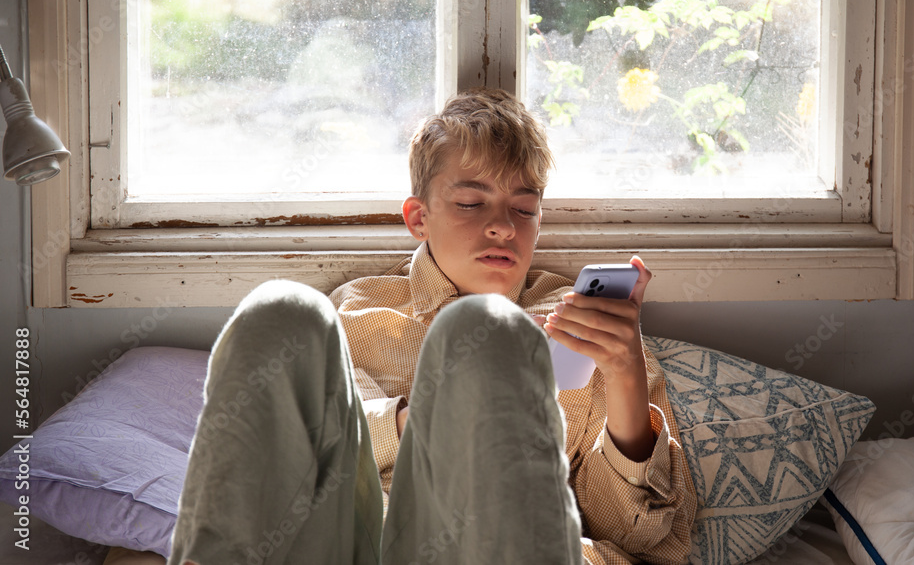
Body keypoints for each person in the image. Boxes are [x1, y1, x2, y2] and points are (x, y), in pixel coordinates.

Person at [168, 88, 696, 565]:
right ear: (418, 218)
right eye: (471, 202)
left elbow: (643, 537)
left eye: (524, 208)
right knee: (278, 309)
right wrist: (428, 411)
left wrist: (625, 373)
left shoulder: (582, 322)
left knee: (493, 330)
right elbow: (318, 453)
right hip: (362, 542)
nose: (502, 226)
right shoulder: (356, 311)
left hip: (497, 546)